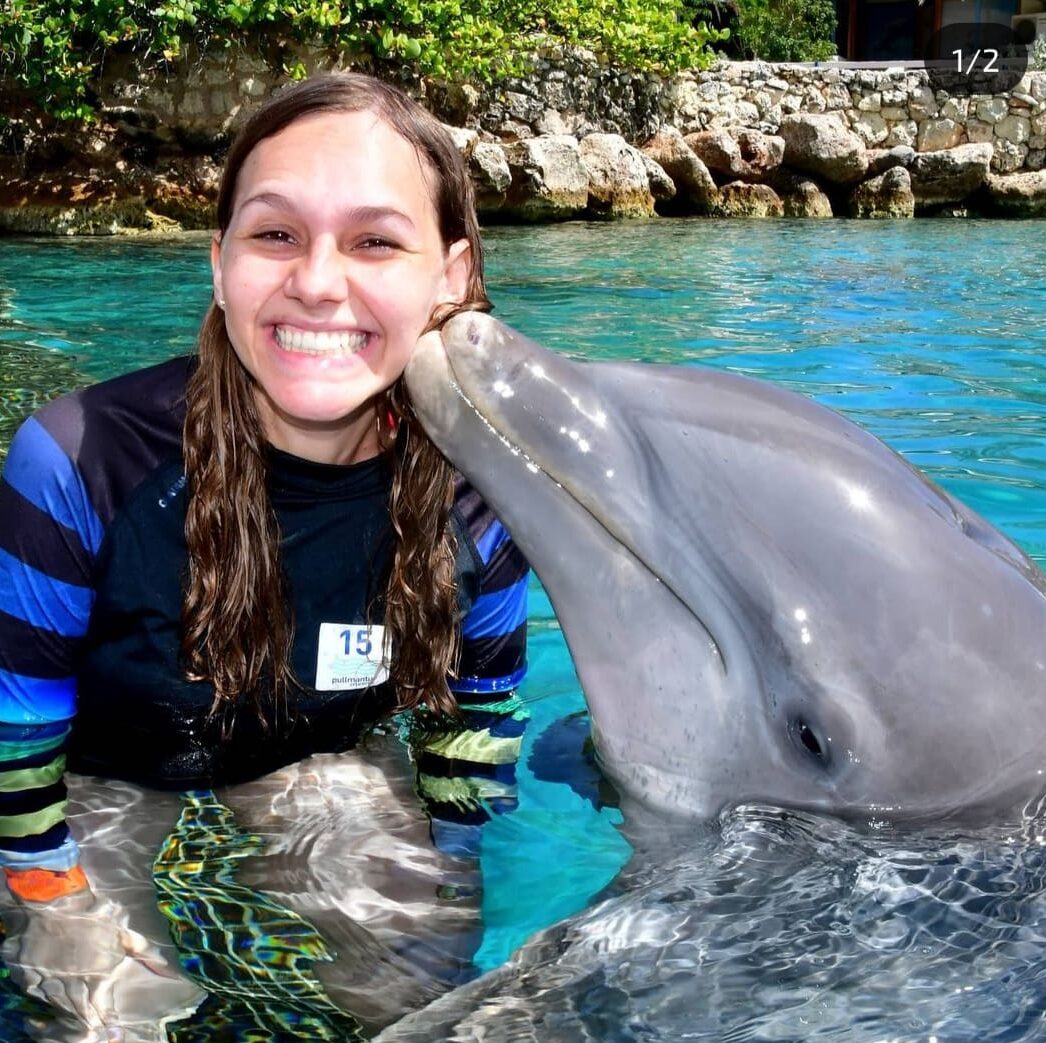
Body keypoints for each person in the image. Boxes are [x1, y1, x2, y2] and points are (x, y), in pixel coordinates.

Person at [0, 73, 529, 1031]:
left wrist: (442, 886)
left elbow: (478, 717)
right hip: (94, 782)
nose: (318, 281)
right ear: (219, 261)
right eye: (275, 233)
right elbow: (13, 732)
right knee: (96, 1012)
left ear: (449, 275)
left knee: (418, 988)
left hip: (317, 765)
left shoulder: (478, 497)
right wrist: (49, 893)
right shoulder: (83, 459)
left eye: (375, 240)